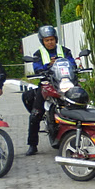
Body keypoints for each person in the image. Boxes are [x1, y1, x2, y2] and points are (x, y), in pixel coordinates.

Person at [25, 25, 75, 156]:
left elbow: (73, 63)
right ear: (42, 41)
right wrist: (48, 66)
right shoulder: (38, 54)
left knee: (80, 104)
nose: (50, 42)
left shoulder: (65, 51)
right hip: (47, 84)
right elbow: (37, 68)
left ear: (56, 39)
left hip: (65, 82)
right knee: (36, 114)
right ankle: (32, 144)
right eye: (47, 40)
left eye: (52, 39)